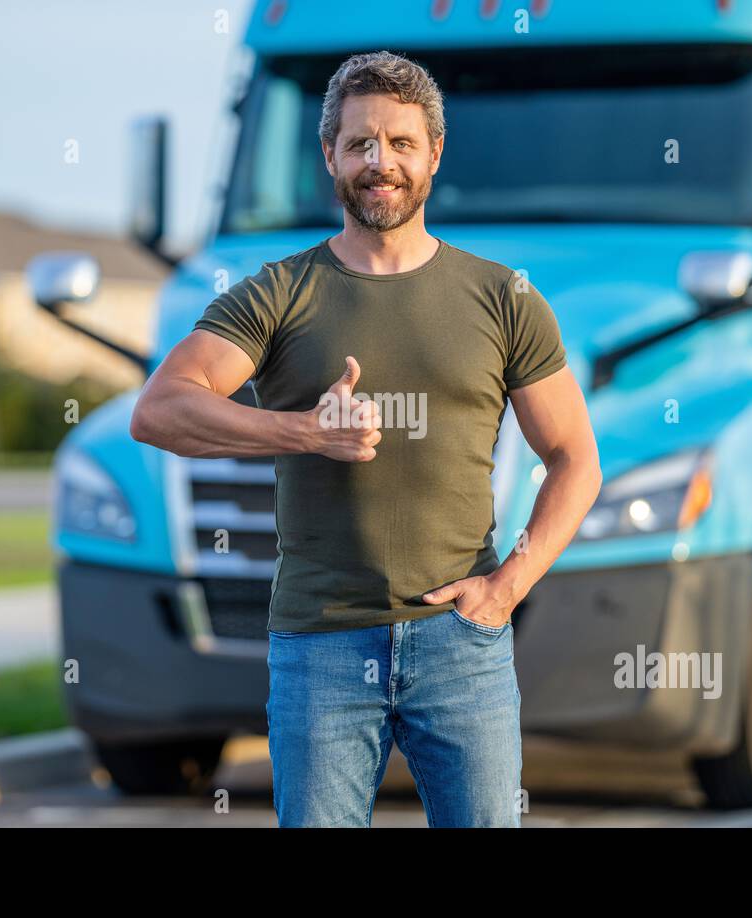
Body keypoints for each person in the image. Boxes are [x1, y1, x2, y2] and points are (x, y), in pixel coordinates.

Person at [129, 50, 601, 827]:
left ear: (433, 155)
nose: (380, 163)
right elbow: (161, 408)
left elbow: (576, 462)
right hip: (321, 650)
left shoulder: (503, 297)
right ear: (330, 157)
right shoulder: (280, 292)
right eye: (360, 145)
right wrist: (303, 432)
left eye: (401, 143)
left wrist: (506, 588)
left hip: (462, 641)